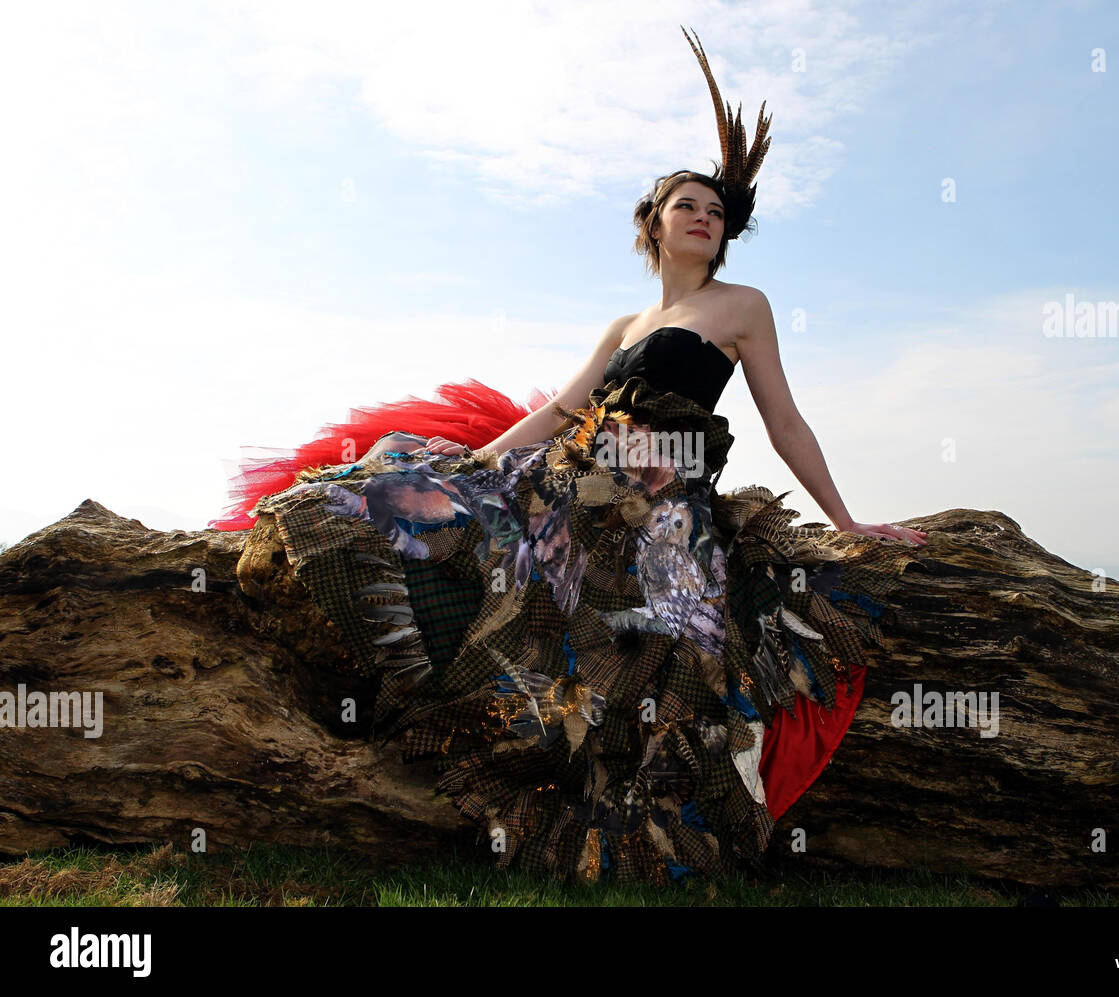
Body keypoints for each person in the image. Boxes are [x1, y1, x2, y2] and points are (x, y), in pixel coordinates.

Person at [220, 26, 927, 885]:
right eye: (686, 207)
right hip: (575, 484)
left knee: (647, 668)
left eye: (714, 211)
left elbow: (784, 420)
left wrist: (845, 517)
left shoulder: (743, 304)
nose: (703, 218)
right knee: (396, 502)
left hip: (664, 508)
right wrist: (475, 462)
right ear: (655, 225)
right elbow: (562, 409)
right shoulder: (623, 328)